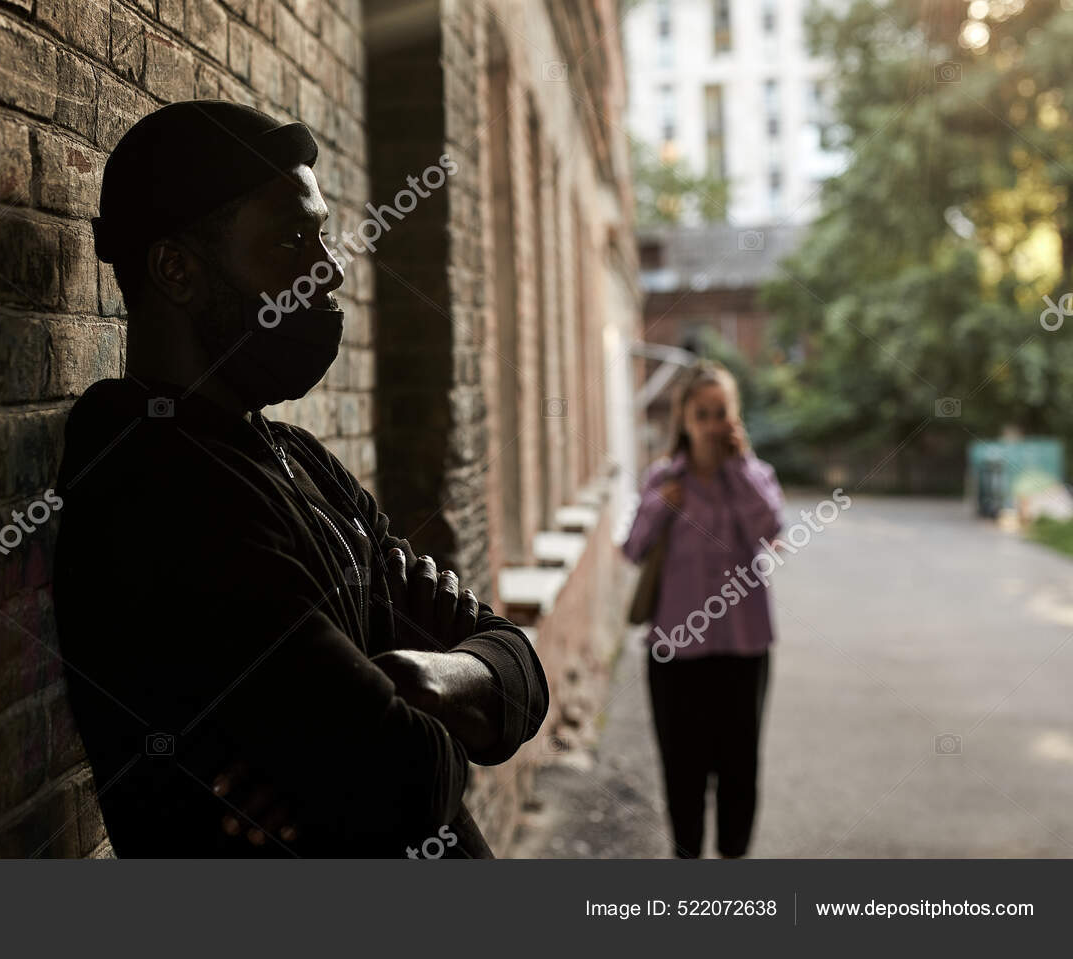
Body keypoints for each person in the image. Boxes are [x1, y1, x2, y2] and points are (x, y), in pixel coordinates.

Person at [50, 100, 549, 857]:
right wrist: (452, 701)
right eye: (292, 239)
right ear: (176, 269)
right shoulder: (149, 485)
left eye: (323, 235)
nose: (333, 267)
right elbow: (400, 779)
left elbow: (519, 660)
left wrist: (429, 681)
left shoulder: (300, 459)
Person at [621, 360, 786, 859]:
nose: (713, 423)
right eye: (703, 413)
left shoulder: (753, 476)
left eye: (722, 413)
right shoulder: (662, 479)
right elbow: (631, 549)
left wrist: (737, 468)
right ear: (685, 420)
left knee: (739, 767)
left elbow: (773, 530)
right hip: (675, 653)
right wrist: (659, 506)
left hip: (743, 647)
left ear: (734, 418)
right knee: (682, 769)